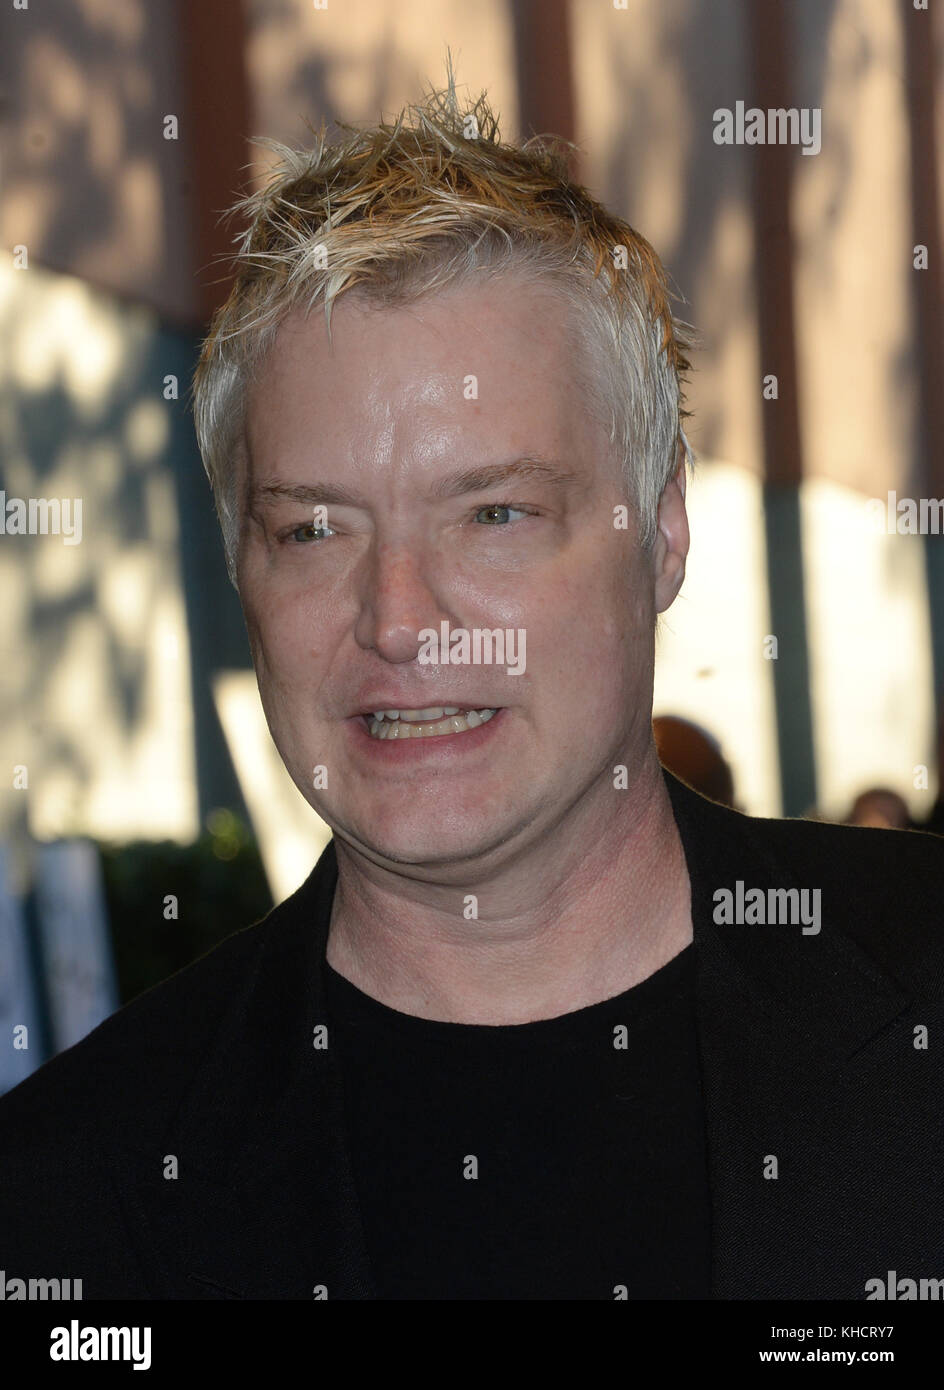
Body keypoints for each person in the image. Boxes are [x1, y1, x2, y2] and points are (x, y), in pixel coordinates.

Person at [2, 81, 943, 1302]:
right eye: (312, 529)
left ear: (660, 531)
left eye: (494, 513)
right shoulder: (72, 1198)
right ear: (239, 563)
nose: (397, 618)